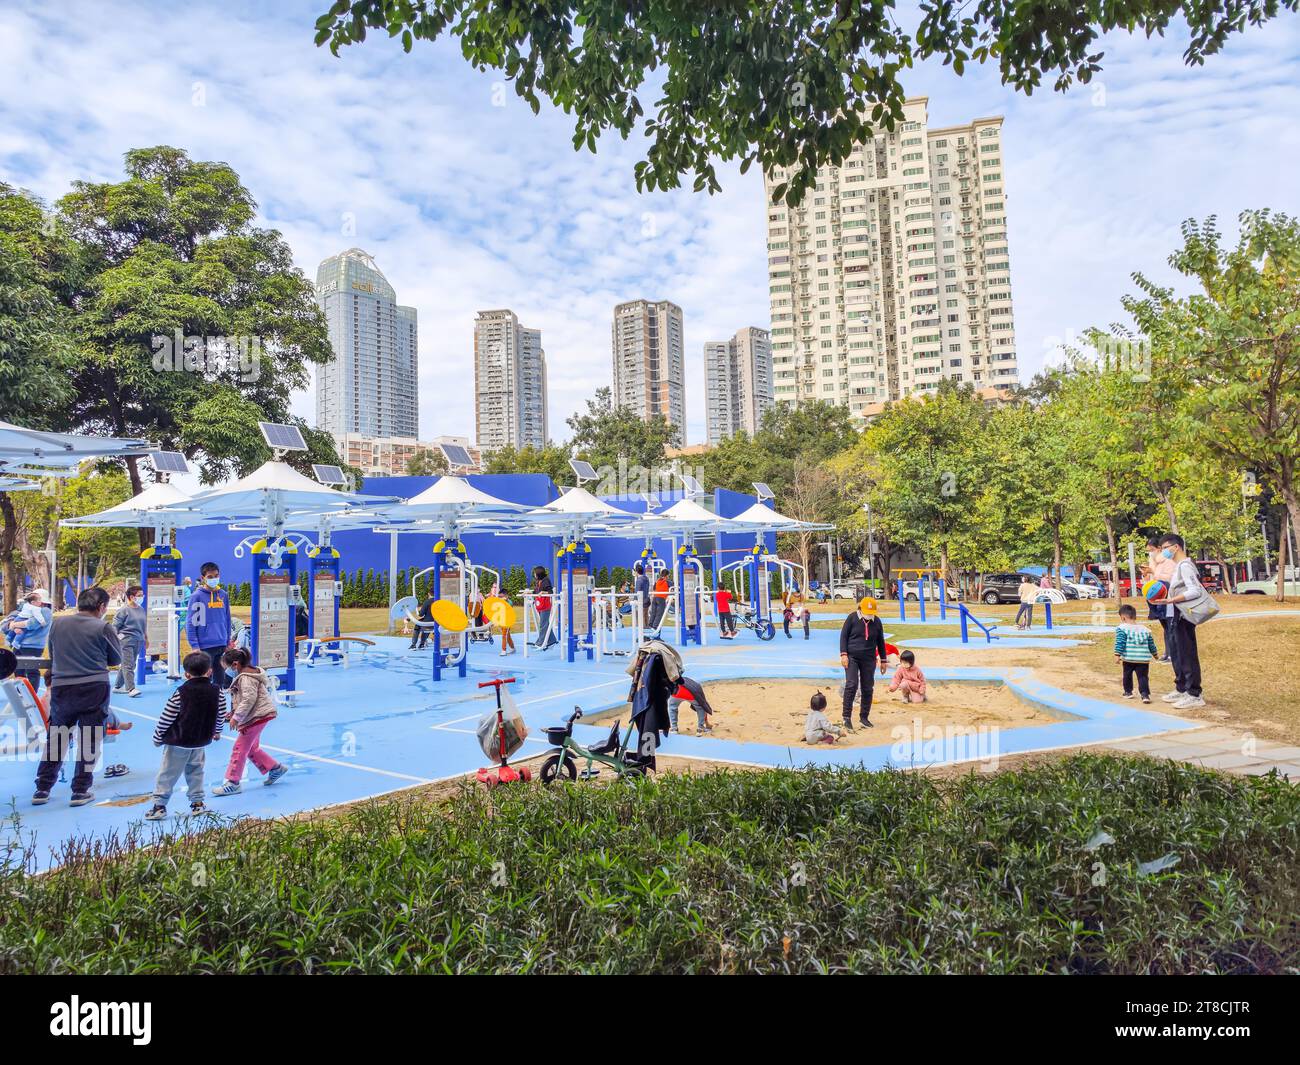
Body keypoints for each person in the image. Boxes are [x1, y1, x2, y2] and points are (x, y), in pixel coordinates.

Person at [32, 586, 122, 807]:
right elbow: (115, 658)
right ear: (101, 606)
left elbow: (53, 654)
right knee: (90, 739)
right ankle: (80, 790)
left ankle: (42, 788)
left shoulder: (58, 624)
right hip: (94, 687)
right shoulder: (103, 627)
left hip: (63, 688)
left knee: (58, 736)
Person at [145, 650, 228, 820]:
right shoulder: (217, 691)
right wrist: (217, 731)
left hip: (178, 741)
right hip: (200, 741)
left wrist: (158, 737)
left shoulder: (181, 693)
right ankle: (197, 803)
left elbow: (167, 717)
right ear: (210, 671)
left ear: (186, 674)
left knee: (168, 773)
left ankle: (159, 806)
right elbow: (221, 714)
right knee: (196, 771)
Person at [212, 647, 288, 795]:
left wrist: (236, 717)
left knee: (239, 748)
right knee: (251, 748)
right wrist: (233, 712)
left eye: (226, 668)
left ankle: (233, 782)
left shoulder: (245, 678)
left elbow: (248, 700)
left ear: (235, 664)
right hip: (259, 715)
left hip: (256, 717)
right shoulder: (248, 675)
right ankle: (275, 768)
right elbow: (245, 699)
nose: (226, 671)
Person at [1152, 534, 1207, 710]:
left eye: (1166, 548)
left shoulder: (1185, 566)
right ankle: (1182, 687)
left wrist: (1171, 600)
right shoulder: (1177, 567)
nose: (1164, 552)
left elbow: (1195, 591)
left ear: (1176, 547)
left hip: (1183, 614)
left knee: (1187, 653)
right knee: (1177, 652)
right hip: (1174, 614)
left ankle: (1194, 693)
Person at [839, 596, 887, 730]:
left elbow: (880, 642)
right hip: (852, 657)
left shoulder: (876, 621)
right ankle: (846, 717)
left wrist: (883, 660)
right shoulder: (852, 618)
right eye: (866, 612)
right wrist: (844, 654)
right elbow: (843, 636)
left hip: (869, 658)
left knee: (867, 687)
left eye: (871, 613)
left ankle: (864, 717)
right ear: (860, 609)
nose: (868, 615)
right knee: (851, 684)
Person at [186, 561, 232, 689]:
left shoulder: (223, 595)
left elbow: (227, 619)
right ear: (203, 578)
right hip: (204, 646)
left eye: (216, 576)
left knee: (220, 682)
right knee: (203, 681)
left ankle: (218, 707)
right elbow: (191, 622)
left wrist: (228, 640)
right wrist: (194, 645)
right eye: (210, 577)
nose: (214, 579)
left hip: (221, 644)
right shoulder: (196, 596)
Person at [3, 588, 51, 692]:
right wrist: (11, 625)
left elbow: (32, 624)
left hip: (33, 646)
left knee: (32, 670)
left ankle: (32, 695)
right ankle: (20, 693)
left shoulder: (45, 611)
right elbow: (4, 625)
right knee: (18, 669)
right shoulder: (26, 609)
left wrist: (13, 625)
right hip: (18, 645)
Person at [1113, 603, 1157, 703]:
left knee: (1127, 675)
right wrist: (1155, 654)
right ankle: (1145, 695)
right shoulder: (1145, 630)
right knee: (1143, 677)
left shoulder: (1122, 628)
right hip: (1143, 659)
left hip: (1129, 658)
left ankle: (1128, 692)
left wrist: (1117, 655)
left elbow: (1120, 642)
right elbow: (1151, 643)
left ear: (1123, 617)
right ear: (1135, 616)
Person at [112, 584, 146, 698]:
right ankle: (131, 688)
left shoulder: (141, 609)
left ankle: (117, 686)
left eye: (142, 595)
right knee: (128, 664)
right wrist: (121, 638)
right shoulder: (123, 610)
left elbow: (143, 625)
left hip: (138, 640)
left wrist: (146, 638)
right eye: (139, 595)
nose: (142, 597)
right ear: (131, 597)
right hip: (126, 642)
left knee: (130, 664)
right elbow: (114, 627)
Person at [1144, 535, 1175, 661]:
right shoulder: (1153, 562)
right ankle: (1167, 652)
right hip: (1156, 599)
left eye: (1152, 550)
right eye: (1148, 551)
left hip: (1167, 596)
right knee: (1165, 626)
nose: (1150, 553)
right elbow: (1151, 582)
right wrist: (1146, 575)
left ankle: (1173, 653)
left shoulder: (1168, 561)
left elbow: (1169, 578)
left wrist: (1153, 572)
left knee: (1170, 625)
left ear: (1159, 548)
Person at [532, 565, 559, 649]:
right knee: (545, 624)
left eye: (535, 573)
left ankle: (540, 642)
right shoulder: (538, 581)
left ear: (539, 573)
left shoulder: (546, 580)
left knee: (543, 624)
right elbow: (536, 591)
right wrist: (528, 593)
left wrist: (543, 592)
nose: (534, 575)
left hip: (545, 606)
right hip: (540, 605)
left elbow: (550, 591)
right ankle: (552, 640)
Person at [490, 580, 516, 656]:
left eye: (502, 596)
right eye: (500, 596)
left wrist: (504, 601)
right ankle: (512, 647)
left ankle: (503, 650)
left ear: (506, 596)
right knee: (507, 635)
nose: (501, 598)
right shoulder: (499, 602)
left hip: (507, 621)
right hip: (502, 620)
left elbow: (509, 607)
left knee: (504, 635)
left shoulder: (509, 602)